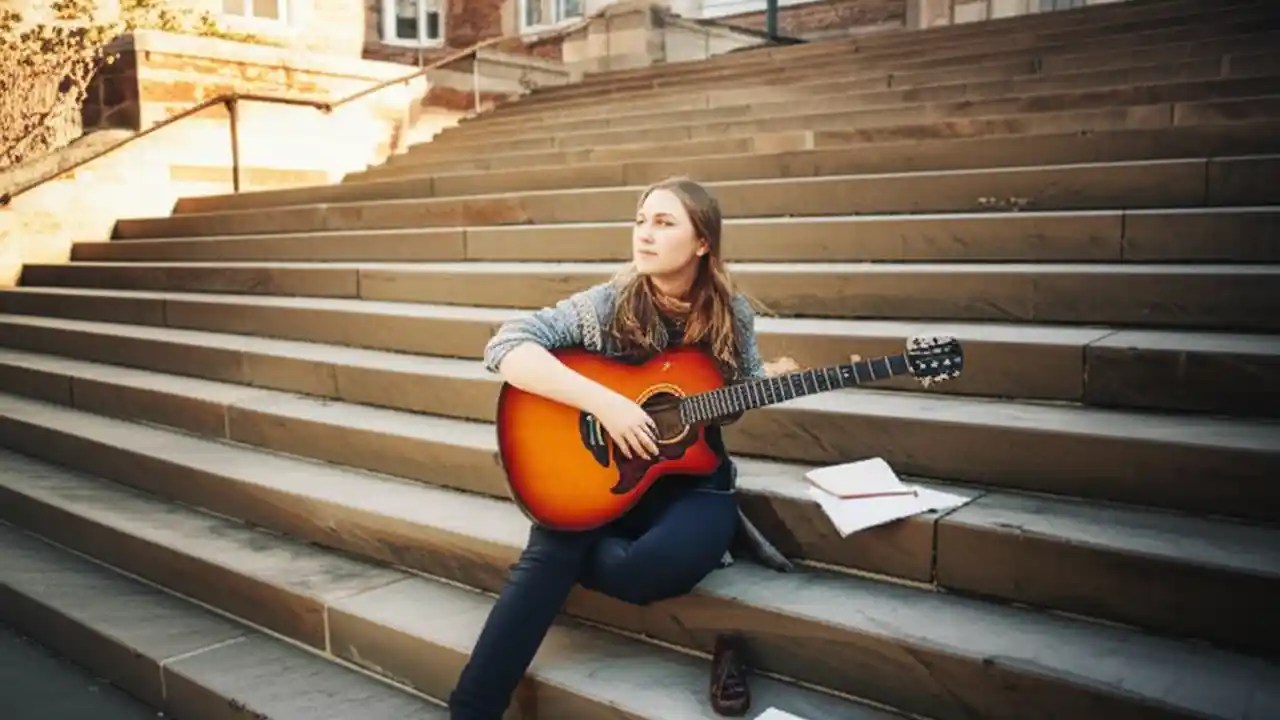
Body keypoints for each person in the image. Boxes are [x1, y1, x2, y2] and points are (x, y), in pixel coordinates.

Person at [449, 176, 801, 720]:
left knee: (640, 568)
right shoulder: (608, 304)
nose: (645, 234)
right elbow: (507, 347)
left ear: (703, 242)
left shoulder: (734, 315)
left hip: (691, 476)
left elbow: (740, 389)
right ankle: (471, 710)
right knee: (552, 548)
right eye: (640, 221)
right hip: (608, 465)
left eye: (664, 223)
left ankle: (604, 530)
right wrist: (606, 405)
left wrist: (769, 380)